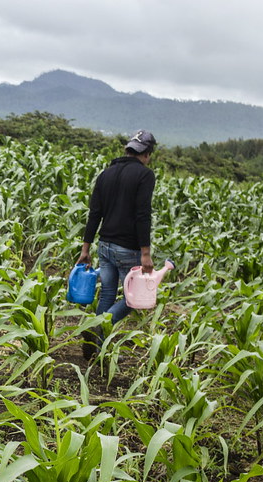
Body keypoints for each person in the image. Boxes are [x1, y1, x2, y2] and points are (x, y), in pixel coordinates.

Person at [77, 129, 159, 360]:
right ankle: (99, 325)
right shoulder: (145, 175)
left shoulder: (106, 173)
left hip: (104, 245)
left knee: (107, 296)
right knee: (134, 299)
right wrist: (145, 252)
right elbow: (143, 214)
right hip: (128, 248)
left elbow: (95, 214)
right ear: (147, 153)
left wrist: (85, 249)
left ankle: (100, 349)